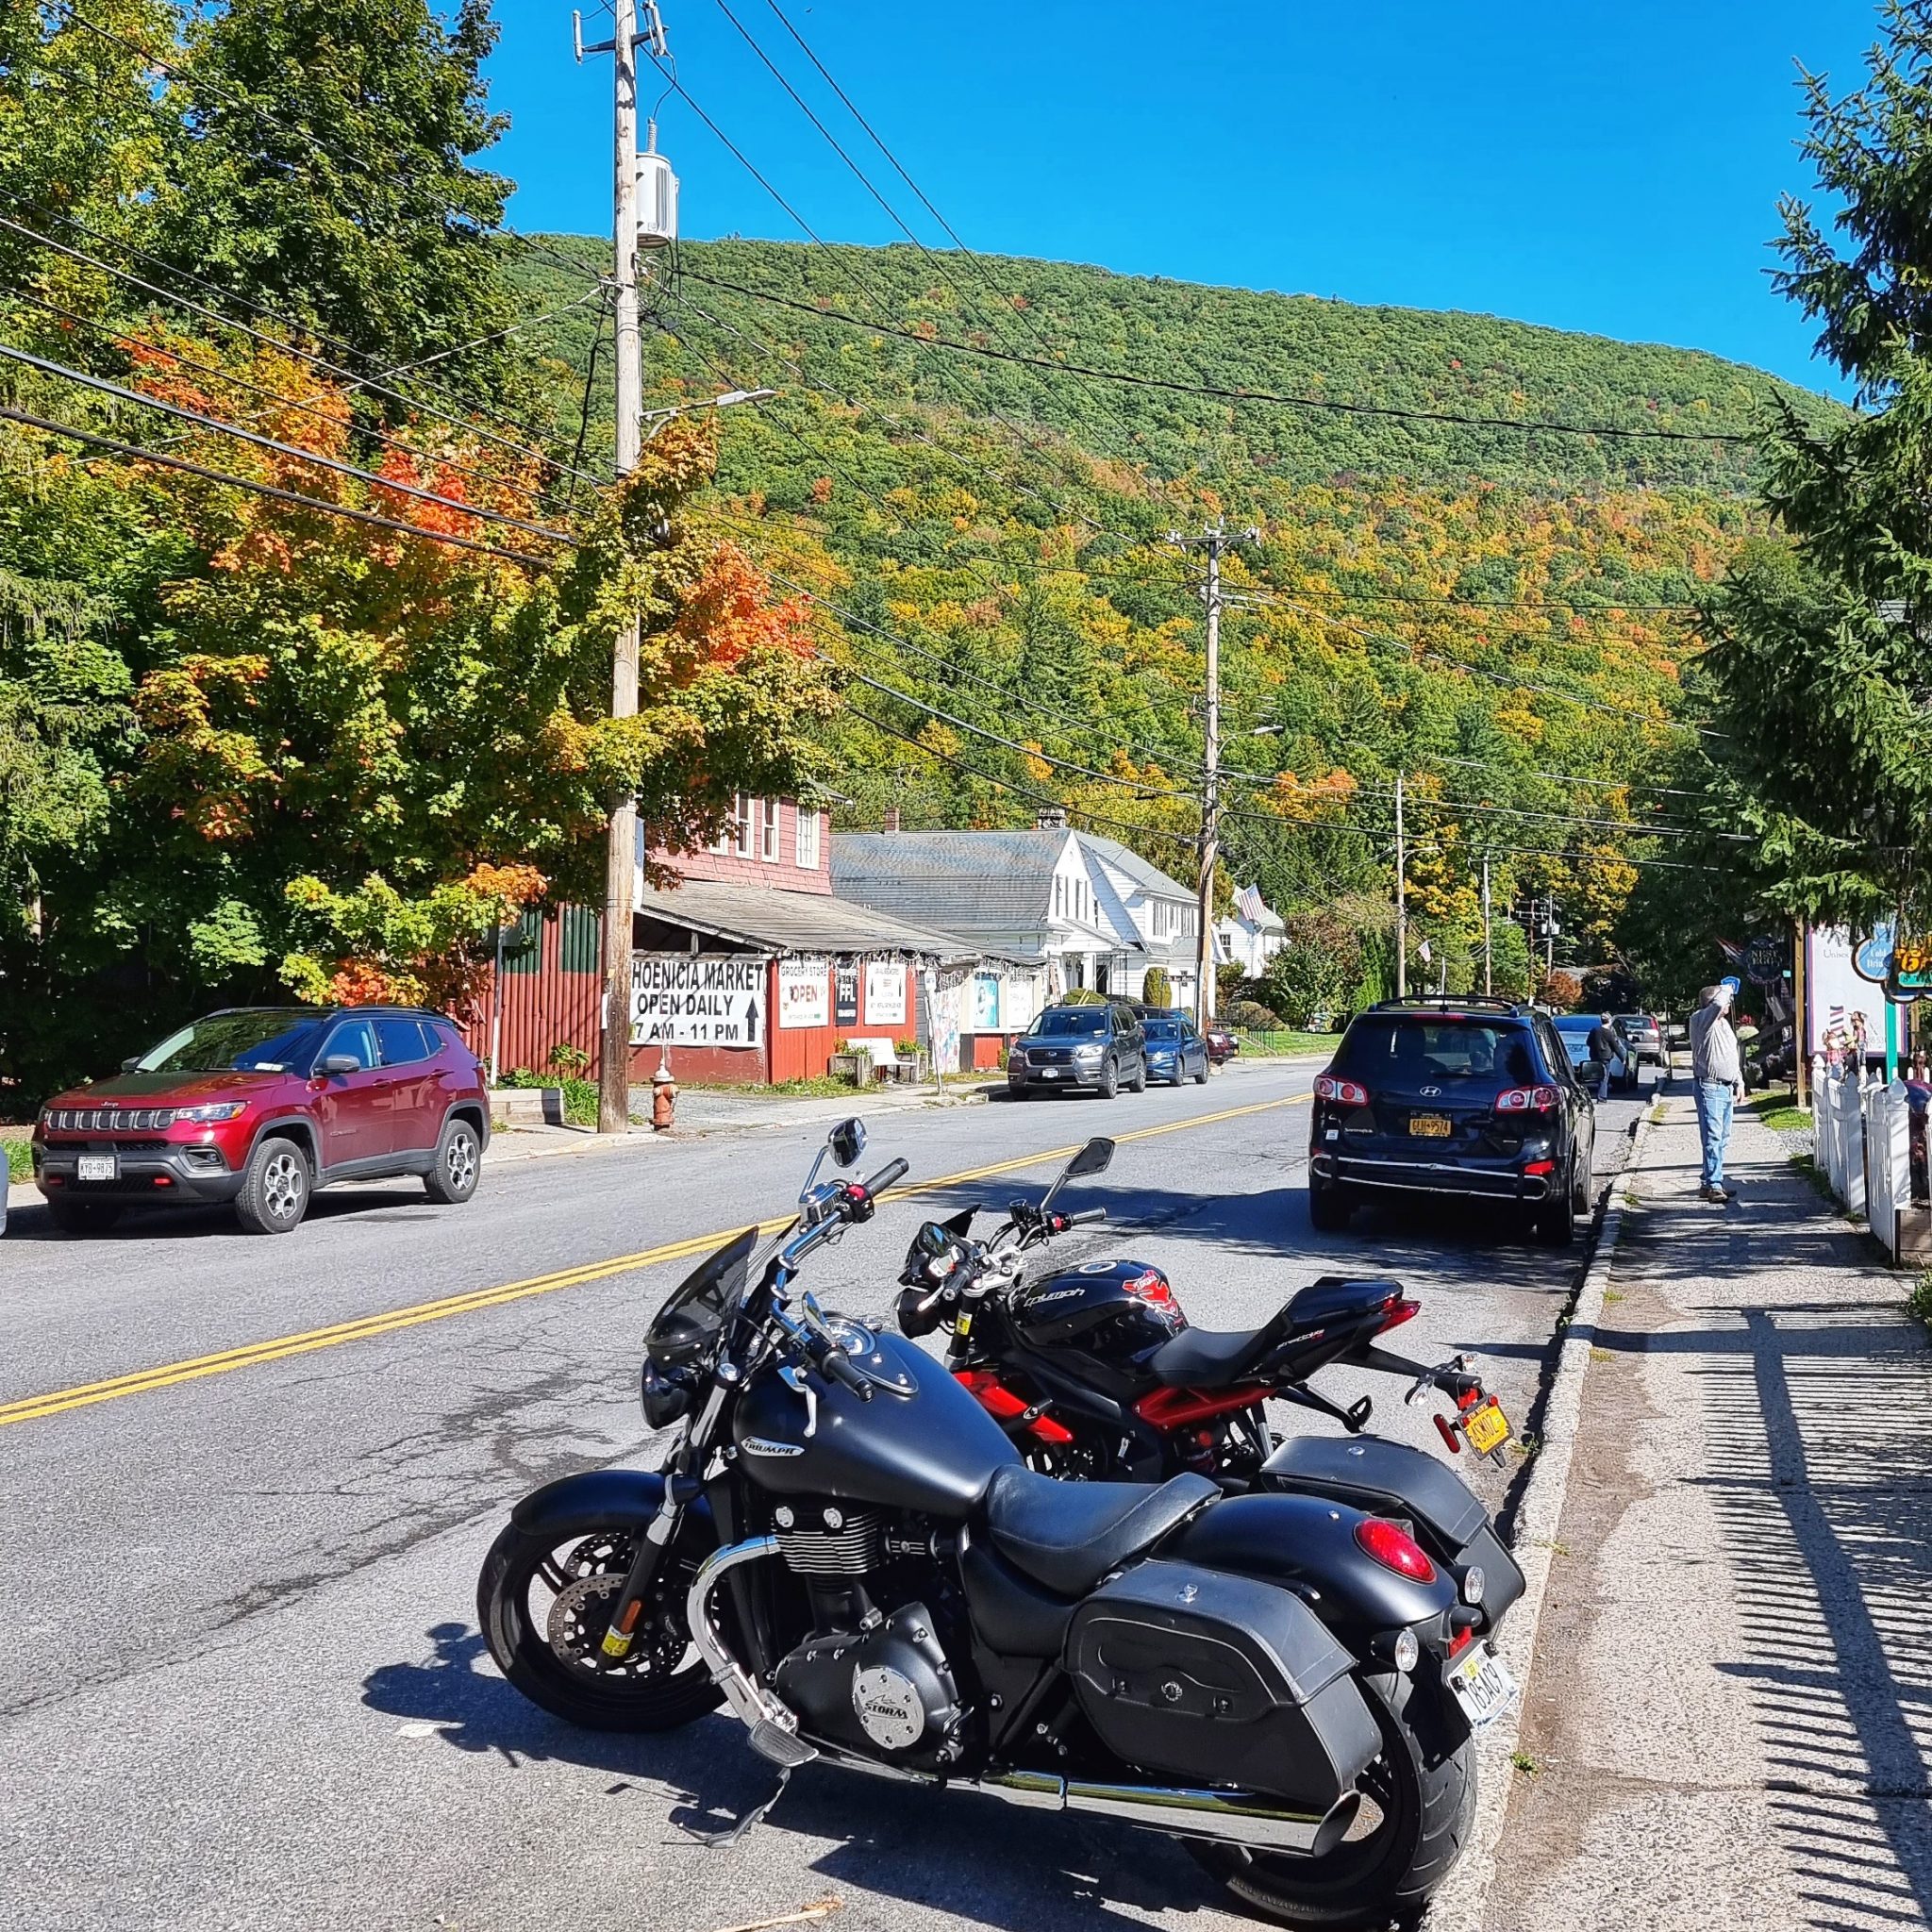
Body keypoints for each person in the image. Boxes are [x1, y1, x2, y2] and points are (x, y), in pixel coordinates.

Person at [1690, 982, 1745, 1202]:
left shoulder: (1723, 1025)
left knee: (1722, 1138)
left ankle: (1709, 1180)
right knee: (1712, 1136)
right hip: (1709, 1086)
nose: (1729, 1004)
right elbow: (1720, 1002)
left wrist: (1739, 1082)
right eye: (1725, 1002)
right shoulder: (1701, 1020)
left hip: (1725, 1087)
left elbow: (1731, 1055)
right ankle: (1714, 1184)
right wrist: (1728, 988)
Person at [1585, 1012, 1619, 1101]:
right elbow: (1615, 1046)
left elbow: (1588, 1042)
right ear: (1609, 1021)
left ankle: (1593, 1094)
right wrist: (1622, 1058)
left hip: (1595, 1056)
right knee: (1604, 1077)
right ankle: (1602, 1096)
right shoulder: (1609, 1033)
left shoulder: (1594, 1030)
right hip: (1606, 1057)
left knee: (1596, 1076)